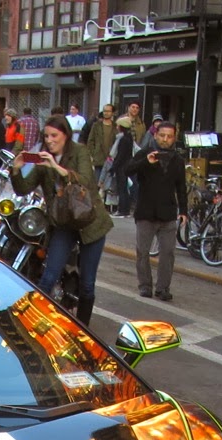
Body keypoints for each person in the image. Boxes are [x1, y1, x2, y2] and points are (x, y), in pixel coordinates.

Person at [8, 115, 115, 326]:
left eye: (54, 135)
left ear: (65, 135)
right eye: (46, 136)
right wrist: (16, 168)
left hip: (90, 223)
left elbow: (85, 180)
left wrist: (56, 167)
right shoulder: (42, 159)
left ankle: (82, 329)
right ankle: (35, 321)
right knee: (49, 277)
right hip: (63, 223)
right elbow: (22, 188)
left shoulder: (79, 152)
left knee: (87, 285)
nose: (50, 140)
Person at [126, 121, 187, 301]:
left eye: (169, 136)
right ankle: (145, 285)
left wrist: (184, 211)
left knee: (168, 252)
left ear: (174, 138)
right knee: (143, 252)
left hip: (167, 212)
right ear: (155, 135)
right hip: (146, 212)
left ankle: (163, 288)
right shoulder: (145, 153)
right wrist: (146, 162)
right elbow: (127, 170)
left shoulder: (177, 160)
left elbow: (181, 187)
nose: (165, 139)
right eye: (162, 135)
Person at [108, 116, 137, 216]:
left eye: (118, 125)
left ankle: (122, 210)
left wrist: (113, 167)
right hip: (126, 165)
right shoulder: (129, 138)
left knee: (122, 189)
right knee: (124, 188)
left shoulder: (123, 139)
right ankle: (125, 209)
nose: (117, 127)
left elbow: (120, 155)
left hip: (122, 167)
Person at [86, 104, 117, 178]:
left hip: (111, 159)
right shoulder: (96, 125)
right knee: (97, 182)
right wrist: (93, 153)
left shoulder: (115, 126)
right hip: (98, 158)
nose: (106, 113)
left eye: (108, 111)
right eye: (104, 111)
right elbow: (90, 140)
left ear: (112, 113)